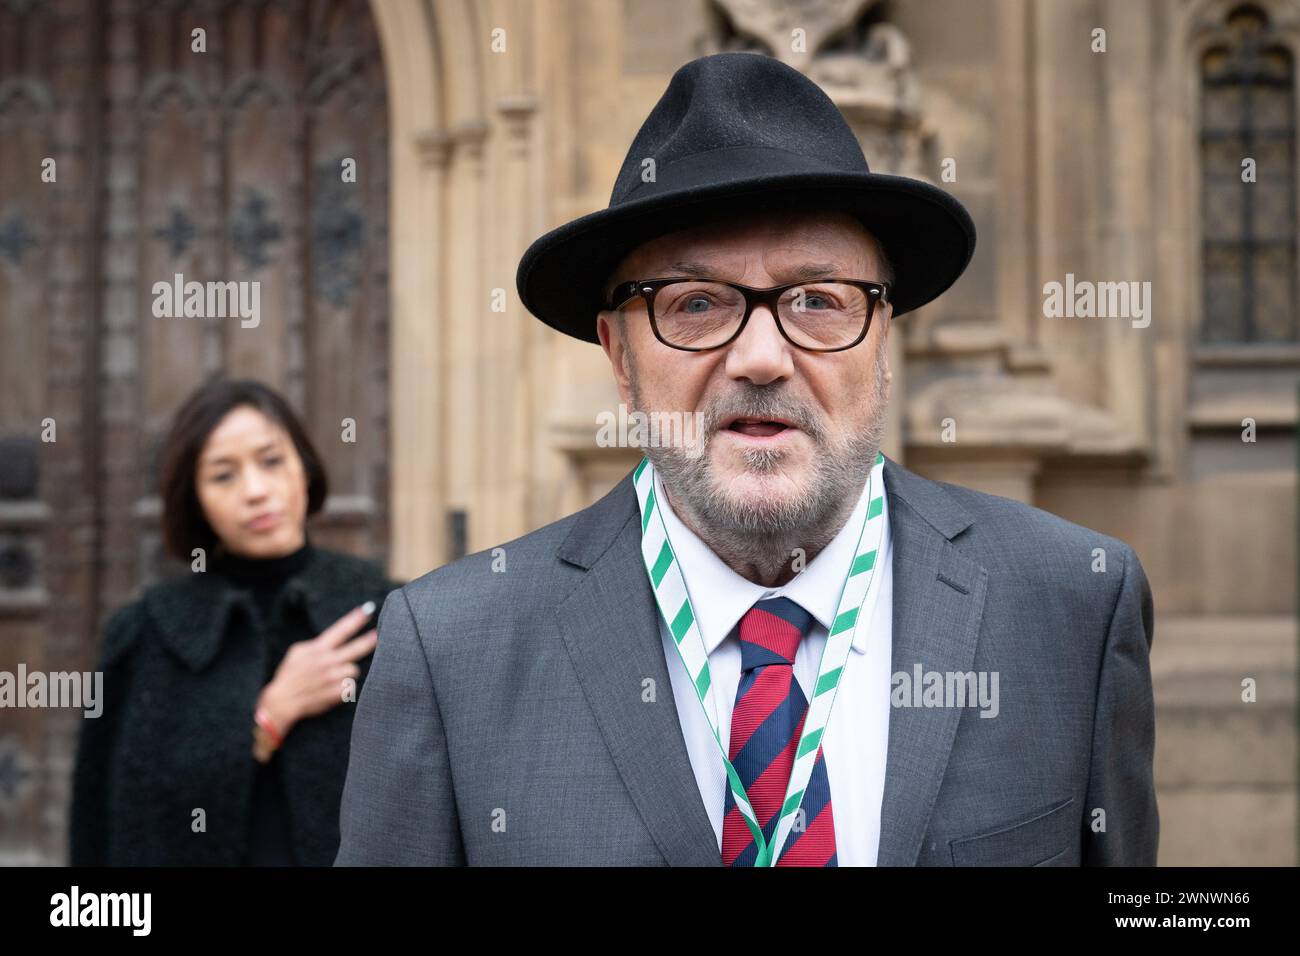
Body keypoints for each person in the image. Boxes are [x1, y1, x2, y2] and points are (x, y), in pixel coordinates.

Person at [336, 52, 1156, 866]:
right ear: (619, 357)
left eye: (817, 300)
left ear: (883, 342)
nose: (761, 358)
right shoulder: (451, 651)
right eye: (695, 303)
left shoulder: (1071, 606)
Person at [70, 378, 400, 865]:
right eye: (223, 476)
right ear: (194, 498)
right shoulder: (147, 633)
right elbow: (120, 820)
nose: (256, 491)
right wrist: (270, 716)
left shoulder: (386, 610)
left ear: (305, 467)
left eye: (272, 461)